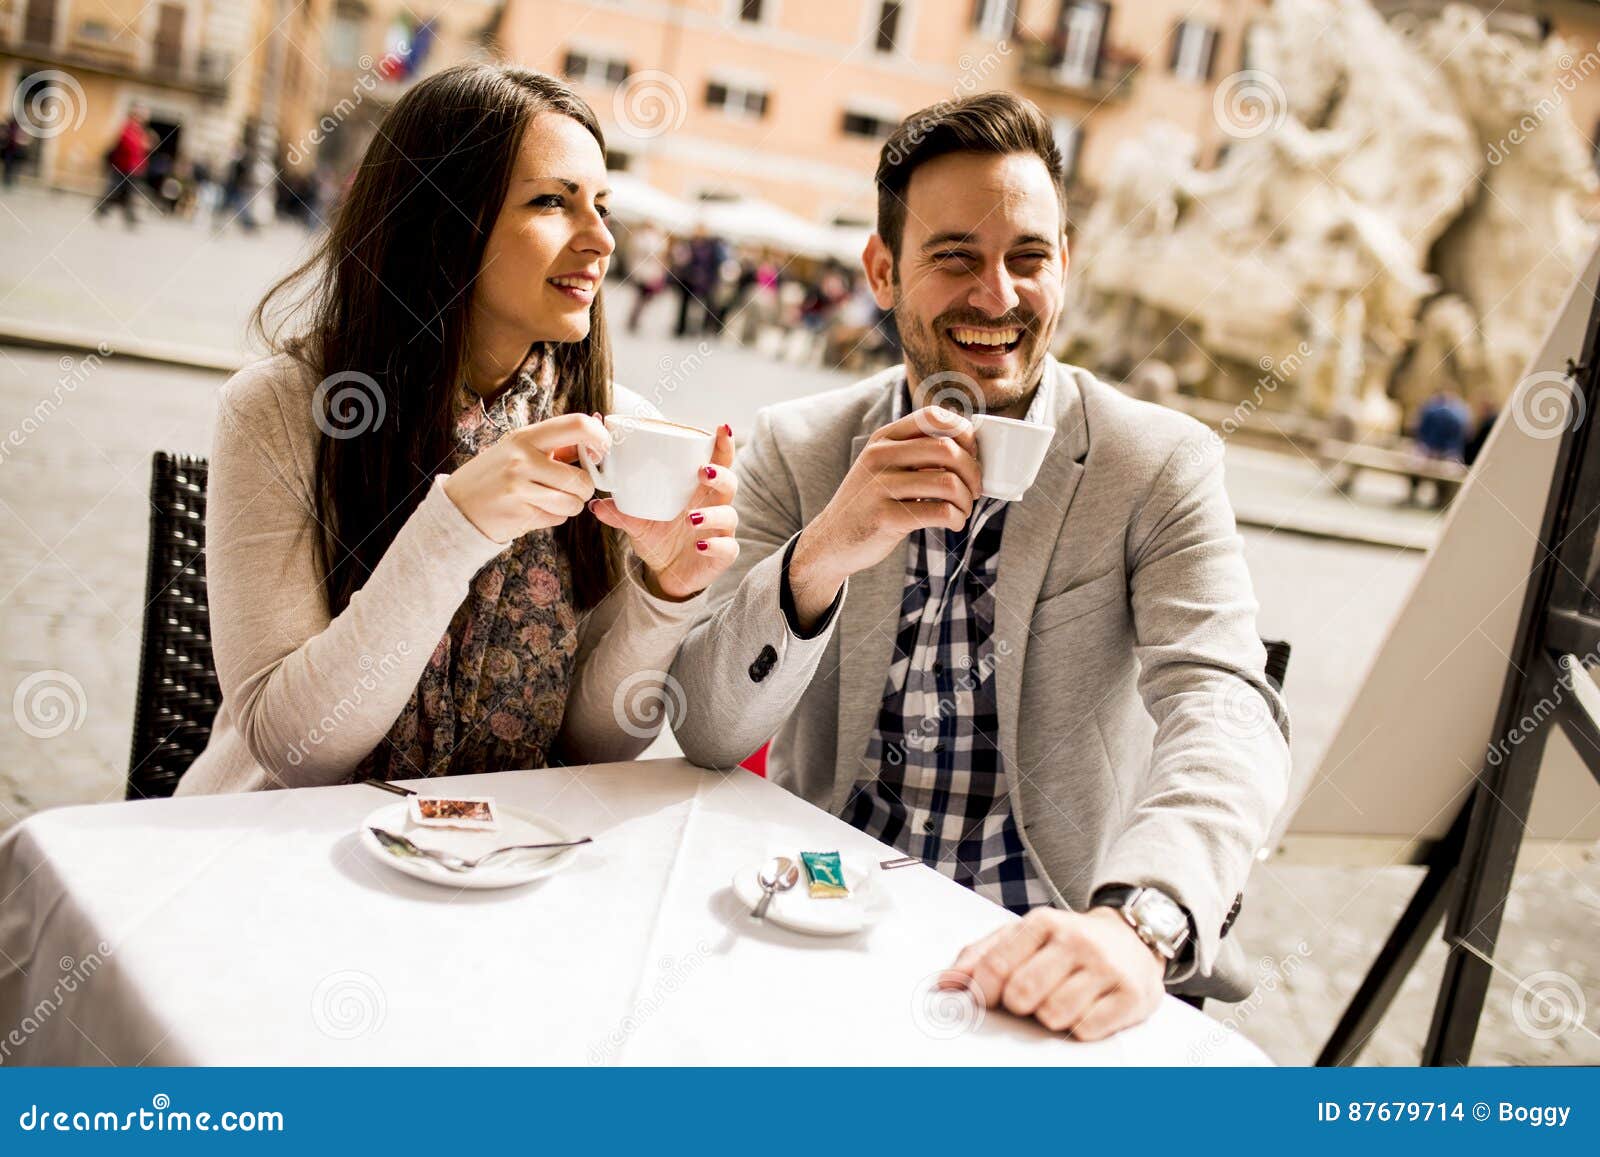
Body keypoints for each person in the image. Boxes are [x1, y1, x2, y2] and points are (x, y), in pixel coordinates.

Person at [669, 92, 1290, 1039]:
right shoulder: (800, 447)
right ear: (883, 271)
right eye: (956, 257)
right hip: (818, 916)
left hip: (1040, 938)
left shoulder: (1158, 462)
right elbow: (707, 728)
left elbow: (1227, 706)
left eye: (1028, 258)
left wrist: (1140, 922)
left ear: (1064, 266)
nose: (997, 297)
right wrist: (824, 552)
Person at [178, 65, 740, 794]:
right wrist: (455, 529)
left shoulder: (615, 430)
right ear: (439, 220)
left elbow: (593, 743)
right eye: (552, 201)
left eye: (602, 206)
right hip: (284, 837)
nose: (602, 239)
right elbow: (295, 753)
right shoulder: (281, 408)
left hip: (504, 843)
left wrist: (665, 594)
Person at [95, 103, 154, 227]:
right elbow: (129, 146)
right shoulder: (128, 128)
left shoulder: (140, 131)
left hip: (134, 167)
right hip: (125, 166)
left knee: (127, 192)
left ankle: (127, 216)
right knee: (118, 190)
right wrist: (143, 144)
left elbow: (141, 149)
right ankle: (104, 210)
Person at [625, 221, 669, 333]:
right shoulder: (646, 238)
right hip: (644, 272)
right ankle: (634, 318)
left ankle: (635, 317)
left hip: (647, 272)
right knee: (641, 296)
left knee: (642, 297)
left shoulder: (644, 237)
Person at [1, 116, 26, 188]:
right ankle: (8, 180)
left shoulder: (12, 128)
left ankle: (8, 180)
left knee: (10, 166)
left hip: (11, 150)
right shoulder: (12, 129)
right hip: (10, 150)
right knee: (10, 166)